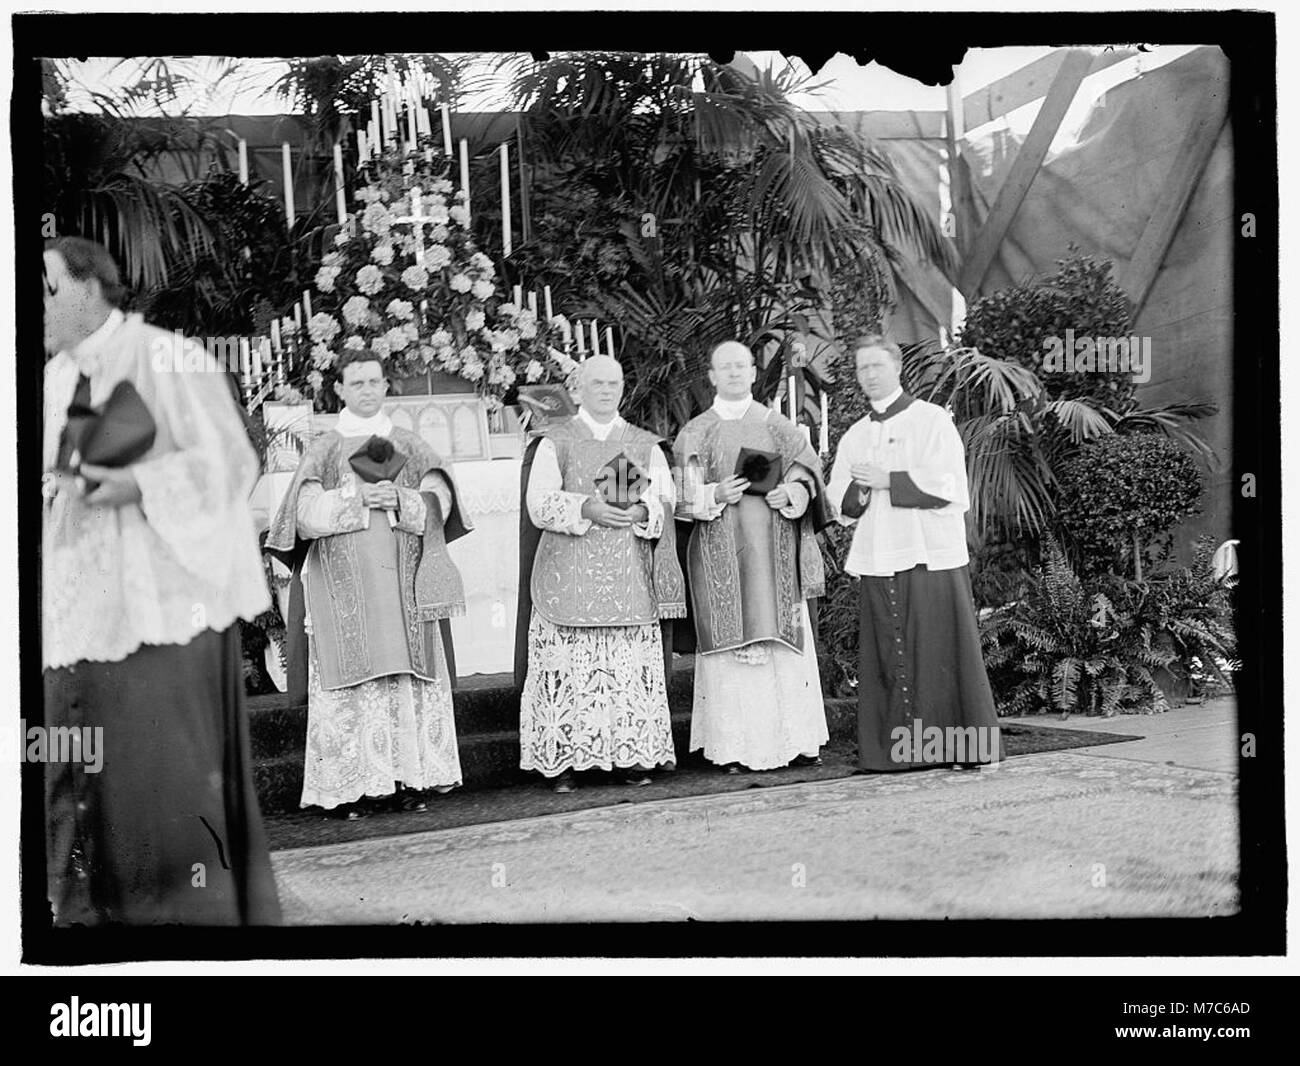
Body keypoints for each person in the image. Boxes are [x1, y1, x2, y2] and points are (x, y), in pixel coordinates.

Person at [41, 236, 280, 925]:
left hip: (158, 615)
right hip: (71, 611)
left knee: (157, 795)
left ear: (89, 289)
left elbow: (230, 467)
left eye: (47, 288)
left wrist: (138, 484)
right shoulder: (54, 377)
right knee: (63, 775)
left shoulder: (167, 358)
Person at [266, 350, 472, 817]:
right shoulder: (325, 448)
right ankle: (348, 788)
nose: (366, 390)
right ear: (338, 389)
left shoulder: (409, 444)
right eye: (356, 383)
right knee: (351, 681)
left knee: (404, 675)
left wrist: (401, 498)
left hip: (405, 585)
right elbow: (302, 516)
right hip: (343, 588)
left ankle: (408, 780)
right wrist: (355, 498)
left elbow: (440, 502)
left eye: (374, 382)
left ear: (385, 387)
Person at [826, 334, 1002, 772]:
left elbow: (948, 485)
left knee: (942, 652)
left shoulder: (931, 420)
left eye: (876, 366)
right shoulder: (855, 434)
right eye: (862, 368)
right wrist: (860, 490)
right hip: (880, 555)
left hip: (930, 554)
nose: (869, 375)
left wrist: (889, 479)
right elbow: (838, 499)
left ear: (897, 367)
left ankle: (964, 750)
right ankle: (898, 755)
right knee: (889, 655)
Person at [516, 355, 686, 793]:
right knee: (570, 669)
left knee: (624, 671)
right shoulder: (556, 440)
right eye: (597, 383)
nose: (606, 390)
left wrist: (642, 509)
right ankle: (565, 762)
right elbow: (539, 504)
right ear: (579, 389)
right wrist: (585, 507)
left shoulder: (645, 444)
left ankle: (630, 757)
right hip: (569, 573)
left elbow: (665, 503)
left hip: (627, 571)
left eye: (614, 383)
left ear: (622, 388)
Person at [673, 340, 833, 772]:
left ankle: (797, 742)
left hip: (774, 553)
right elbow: (681, 498)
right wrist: (712, 492)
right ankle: (734, 748)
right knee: (732, 646)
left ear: (751, 371)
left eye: (741, 366)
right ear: (711, 376)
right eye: (724, 368)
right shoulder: (697, 431)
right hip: (722, 552)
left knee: (784, 646)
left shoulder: (776, 424)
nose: (734, 374)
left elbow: (807, 470)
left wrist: (794, 492)